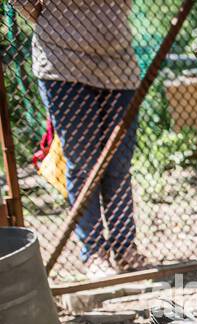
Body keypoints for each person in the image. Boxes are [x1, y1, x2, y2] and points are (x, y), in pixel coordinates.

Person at [18, 0, 146, 277]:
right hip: (63, 66)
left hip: (119, 65)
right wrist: (53, 20)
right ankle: (95, 254)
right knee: (84, 165)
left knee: (119, 164)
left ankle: (125, 248)